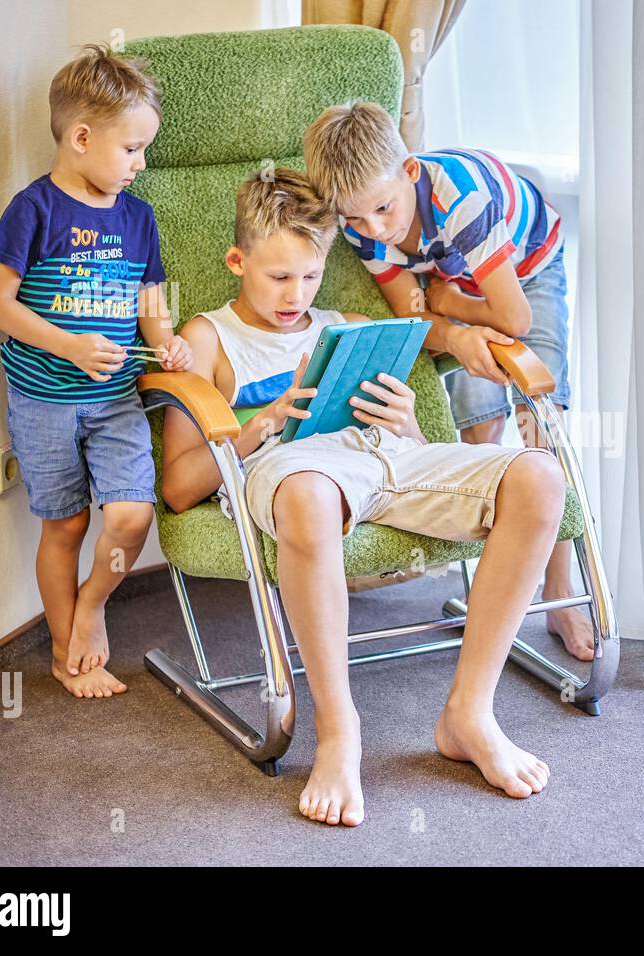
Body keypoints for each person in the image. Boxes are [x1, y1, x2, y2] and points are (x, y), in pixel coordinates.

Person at [160, 169, 565, 826]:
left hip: (384, 460)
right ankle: (339, 732)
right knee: (310, 495)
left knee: (539, 477)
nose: (296, 296)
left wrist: (403, 416)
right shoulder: (209, 339)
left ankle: (470, 712)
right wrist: (261, 424)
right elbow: (178, 488)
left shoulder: (345, 326)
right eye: (277, 277)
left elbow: (406, 444)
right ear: (238, 262)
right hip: (294, 472)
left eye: (310, 276)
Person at [302, 100, 595, 662]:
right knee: (479, 433)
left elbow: (514, 320)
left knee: (541, 420)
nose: (375, 230)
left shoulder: (461, 201)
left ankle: (561, 591)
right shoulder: (360, 221)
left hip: (524, 274)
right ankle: (493, 590)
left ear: (409, 171)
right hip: (454, 283)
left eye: (385, 209)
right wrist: (454, 330)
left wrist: (452, 304)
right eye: (357, 219)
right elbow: (411, 316)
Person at [0, 43, 191, 701]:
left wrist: (166, 342)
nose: (141, 163)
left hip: (116, 401)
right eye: (132, 149)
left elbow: (149, 296)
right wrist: (69, 345)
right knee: (66, 525)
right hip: (43, 402)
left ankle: (92, 606)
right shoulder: (33, 209)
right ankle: (67, 652)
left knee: (130, 515)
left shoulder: (138, 217)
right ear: (80, 137)